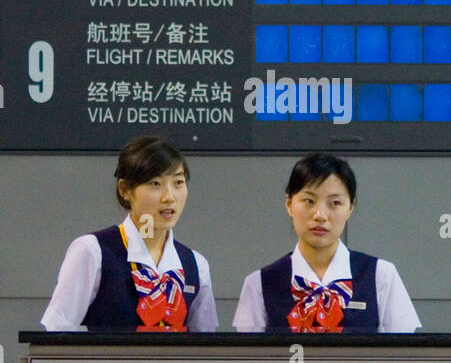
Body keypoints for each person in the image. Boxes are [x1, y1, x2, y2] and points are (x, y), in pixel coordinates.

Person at [41, 136, 217, 331]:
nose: (169, 197)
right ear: (125, 190)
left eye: (178, 183)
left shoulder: (195, 264)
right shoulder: (93, 251)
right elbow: (58, 334)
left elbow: (205, 347)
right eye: (155, 184)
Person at [233, 152, 420, 333]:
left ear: (350, 207)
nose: (320, 215)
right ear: (289, 203)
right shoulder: (259, 284)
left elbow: (402, 358)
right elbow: (250, 361)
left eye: (334, 203)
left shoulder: (381, 276)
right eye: (309, 201)